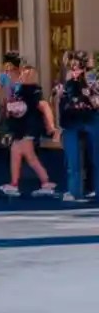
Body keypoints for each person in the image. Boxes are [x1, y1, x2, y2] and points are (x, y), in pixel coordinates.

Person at [0, 64, 58, 197]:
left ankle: (45, 182)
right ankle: (14, 183)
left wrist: (51, 126)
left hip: (28, 129)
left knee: (30, 157)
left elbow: (44, 107)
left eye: (27, 74)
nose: (23, 76)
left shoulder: (33, 92)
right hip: (20, 129)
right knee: (16, 153)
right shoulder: (20, 90)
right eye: (23, 74)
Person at [56, 51, 99, 202]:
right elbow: (60, 101)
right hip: (71, 121)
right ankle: (75, 192)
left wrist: (88, 88)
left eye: (78, 65)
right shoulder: (65, 80)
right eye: (72, 66)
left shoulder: (92, 78)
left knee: (95, 158)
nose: (75, 69)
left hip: (90, 119)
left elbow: (96, 102)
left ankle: (87, 191)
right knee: (73, 160)